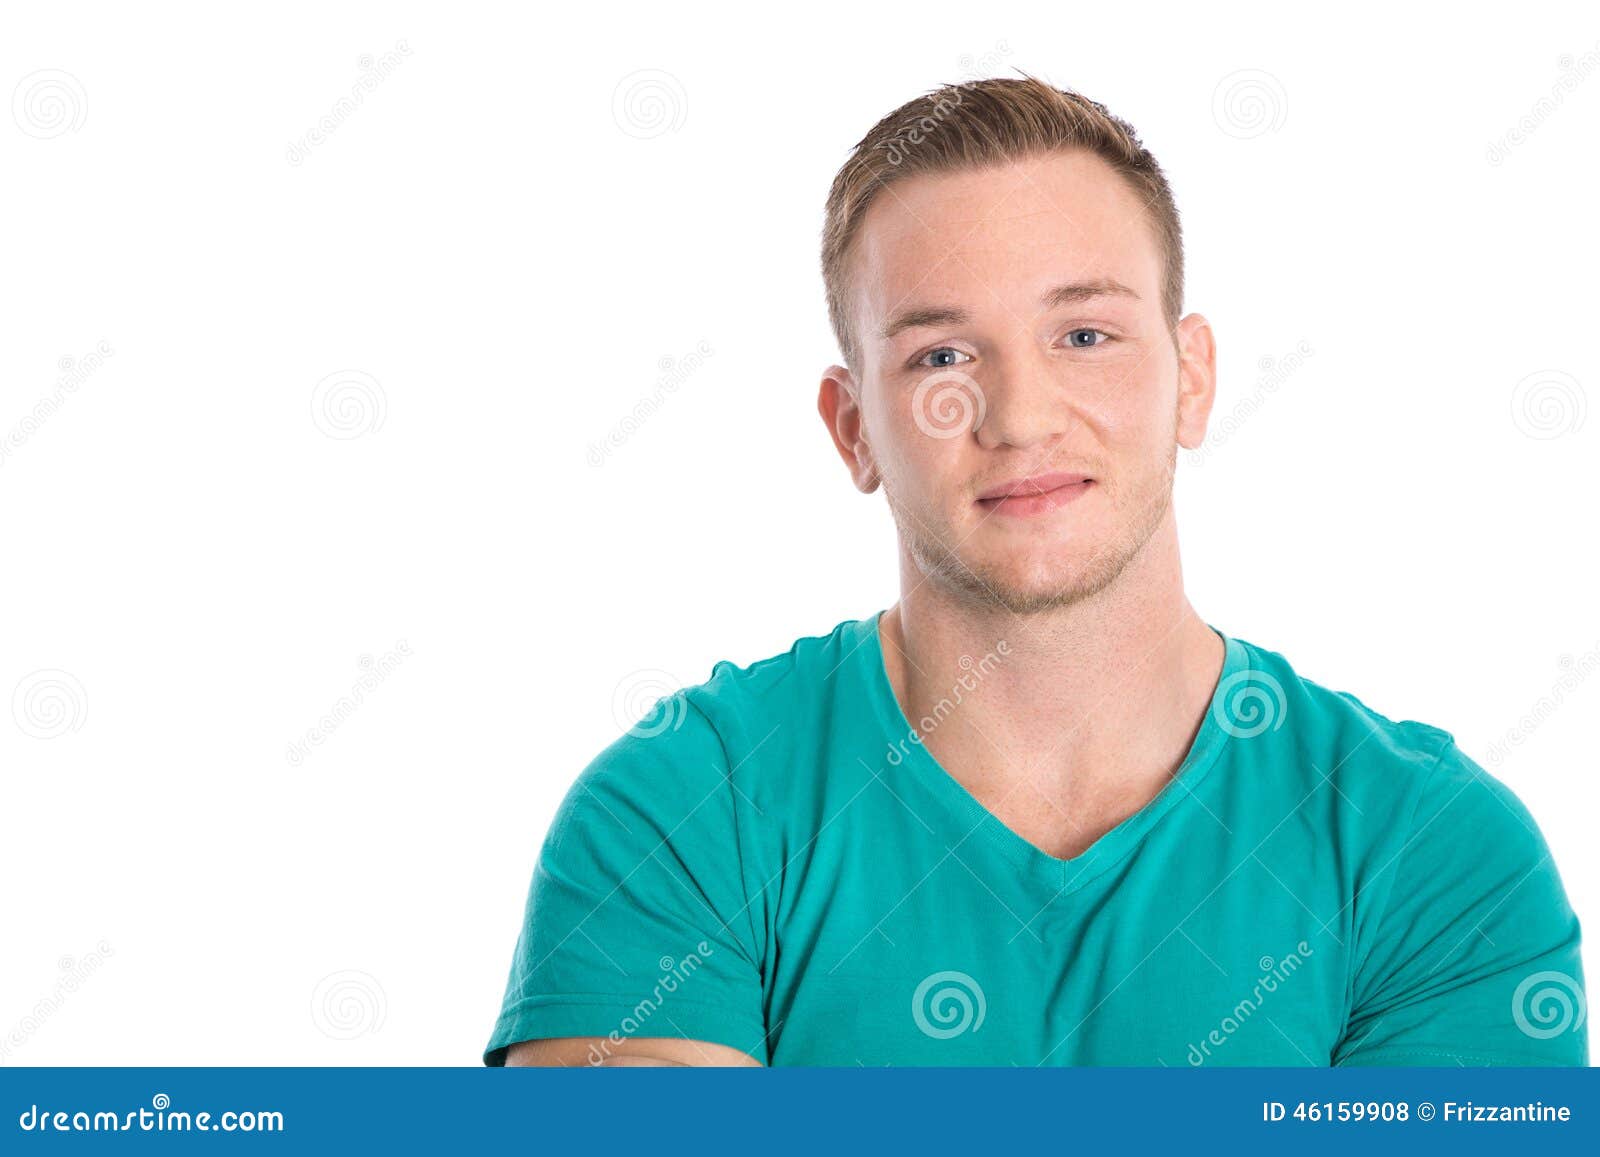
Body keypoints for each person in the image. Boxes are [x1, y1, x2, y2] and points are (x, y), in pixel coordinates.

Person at [485, 76, 1586, 1067]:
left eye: (1085, 335)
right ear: (853, 426)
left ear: (1191, 377)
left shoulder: (1427, 849)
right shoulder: (685, 809)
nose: (1017, 417)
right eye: (940, 357)